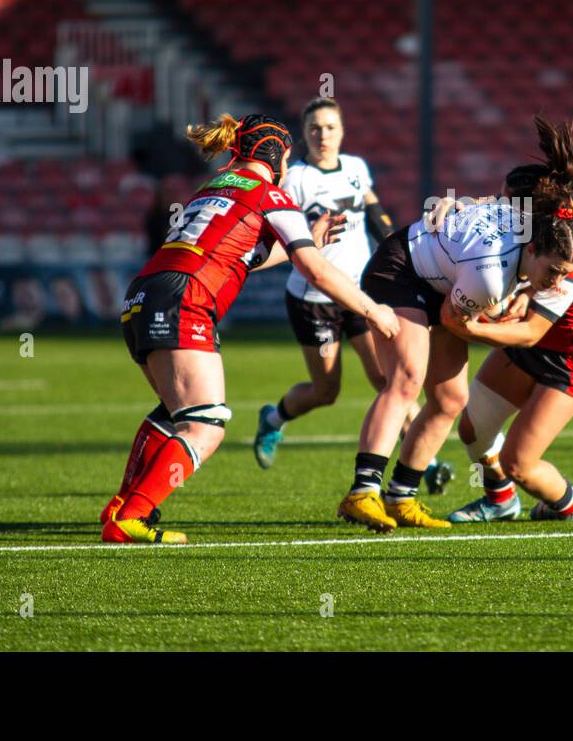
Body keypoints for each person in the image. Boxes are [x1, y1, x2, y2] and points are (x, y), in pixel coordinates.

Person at [101, 113, 399, 544]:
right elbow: (316, 273)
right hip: (186, 298)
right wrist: (372, 311)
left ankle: (122, 508)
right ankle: (133, 515)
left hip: (144, 294)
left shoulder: (212, 189)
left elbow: (245, 257)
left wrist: (307, 239)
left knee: (175, 411)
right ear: (279, 155)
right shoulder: (269, 193)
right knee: (205, 422)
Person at [337, 117, 573, 533]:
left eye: (564, 274)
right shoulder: (495, 272)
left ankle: (401, 498)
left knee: (450, 400)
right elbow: (455, 319)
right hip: (400, 273)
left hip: (440, 280)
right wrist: (492, 317)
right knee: (407, 379)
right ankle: (362, 493)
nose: (557, 282)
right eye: (554, 271)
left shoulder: (534, 226)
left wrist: (510, 297)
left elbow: (482, 210)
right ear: (536, 247)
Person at [398, 118, 573, 523]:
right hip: (532, 342)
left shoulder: (567, 259)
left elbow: (529, 333)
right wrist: (455, 203)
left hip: (569, 360)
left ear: (530, 213)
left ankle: (569, 504)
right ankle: (499, 501)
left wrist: (472, 328)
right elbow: (496, 204)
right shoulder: (542, 211)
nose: (501, 207)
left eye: (509, 204)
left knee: (519, 464)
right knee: (473, 430)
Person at [252, 98, 451, 492]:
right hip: (313, 300)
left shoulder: (357, 168)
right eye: (314, 128)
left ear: (342, 132)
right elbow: (273, 231)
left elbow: (377, 216)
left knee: (387, 377)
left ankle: (422, 463)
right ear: (304, 134)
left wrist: (401, 249)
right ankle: (273, 419)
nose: (322, 135)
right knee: (326, 392)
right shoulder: (294, 179)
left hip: (361, 294)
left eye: (330, 127)